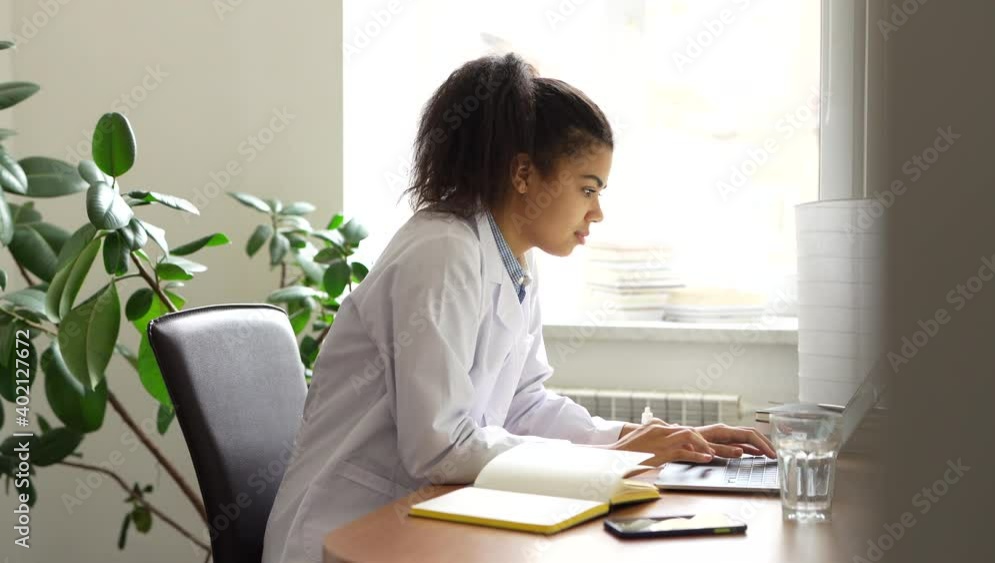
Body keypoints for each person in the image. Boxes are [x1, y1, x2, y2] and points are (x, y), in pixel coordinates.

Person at [261, 52, 776, 563]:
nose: (597, 212)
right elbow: (439, 449)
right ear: (525, 174)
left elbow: (523, 405)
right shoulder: (441, 252)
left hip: (426, 520)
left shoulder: (514, 257)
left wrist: (642, 439)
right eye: (587, 188)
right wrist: (609, 460)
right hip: (350, 529)